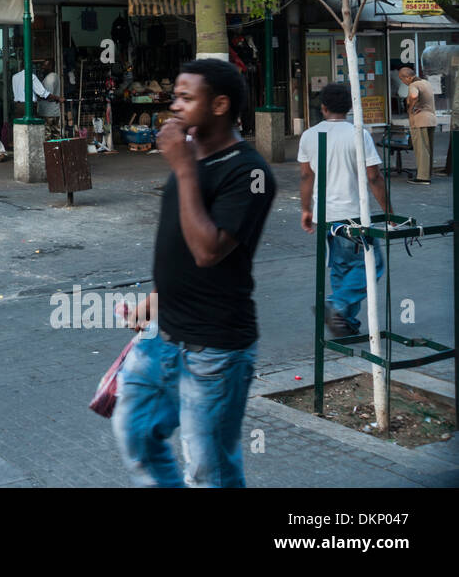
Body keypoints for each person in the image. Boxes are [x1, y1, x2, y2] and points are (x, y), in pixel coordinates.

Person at [112, 59, 276, 487]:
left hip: (215, 349)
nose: (174, 104)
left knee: (210, 471)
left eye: (187, 97)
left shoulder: (250, 172)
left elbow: (208, 251)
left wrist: (183, 168)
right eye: (176, 95)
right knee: (137, 434)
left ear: (220, 104)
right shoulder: (193, 157)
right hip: (163, 336)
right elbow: (179, 245)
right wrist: (157, 296)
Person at [298, 82, 391, 338]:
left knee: (342, 268)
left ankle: (344, 321)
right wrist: (389, 211)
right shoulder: (359, 134)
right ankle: (336, 306)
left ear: (323, 108)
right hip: (353, 215)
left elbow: (306, 177)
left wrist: (306, 209)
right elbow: (374, 177)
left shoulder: (309, 135)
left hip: (325, 215)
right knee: (373, 265)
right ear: (350, 108)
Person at [397, 64, 436, 184]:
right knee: (429, 149)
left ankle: (423, 178)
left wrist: (411, 108)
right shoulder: (426, 82)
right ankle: (427, 174)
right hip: (431, 119)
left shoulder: (413, 85)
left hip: (420, 120)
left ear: (407, 77)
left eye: (402, 79)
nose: (403, 82)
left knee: (421, 149)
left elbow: (414, 96)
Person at [11, 60, 63, 137]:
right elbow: (43, 93)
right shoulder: (32, 77)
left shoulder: (14, 77)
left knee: (21, 131)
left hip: (17, 107)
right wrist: (58, 98)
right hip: (29, 106)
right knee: (32, 131)